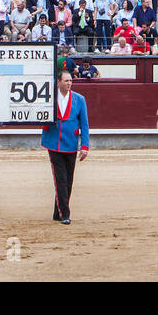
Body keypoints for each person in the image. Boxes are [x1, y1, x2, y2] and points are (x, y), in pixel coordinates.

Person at [39, 68, 89, 224]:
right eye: (66, 80)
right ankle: (65, 214)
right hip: (53, 143)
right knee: (60, 179)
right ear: (58, 82)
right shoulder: (48, 98)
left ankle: (57, 211)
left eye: (71, 81)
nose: (69, 83)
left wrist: (85, 145)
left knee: (68, 180)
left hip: (71, 144)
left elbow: (85, 124)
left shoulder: (79, 99)